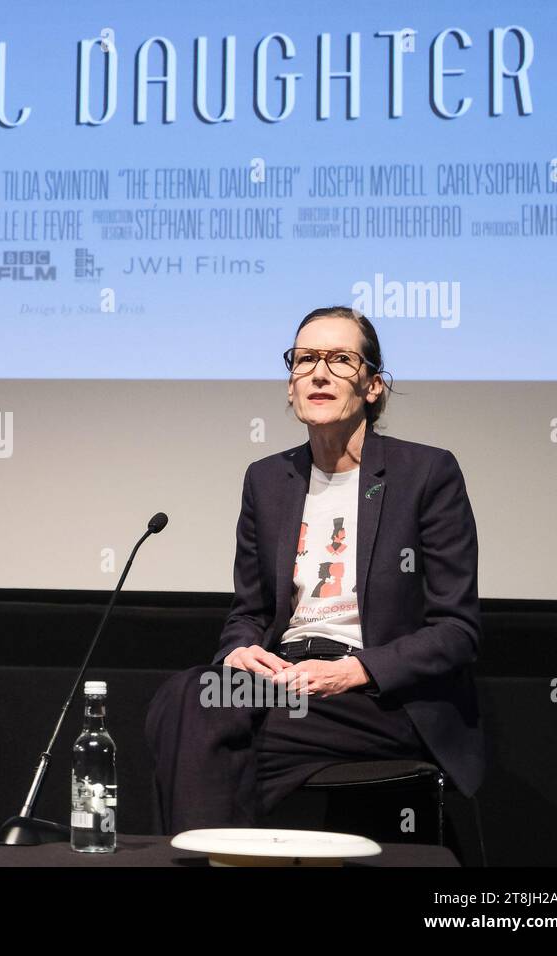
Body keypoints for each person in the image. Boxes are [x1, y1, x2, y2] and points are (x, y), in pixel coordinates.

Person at [144, 306, 483, 834]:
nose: (318, 373)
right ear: (290, 386)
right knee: (188, 695)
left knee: (201, 739)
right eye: (304, 360)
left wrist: (354, 670)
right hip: (285, 682)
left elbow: (456, 633)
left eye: (341, 359)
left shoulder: (426, 473)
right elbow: (250, 611)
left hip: (374, 693)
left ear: (373, 386)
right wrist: (238, 650)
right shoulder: (267, 480)